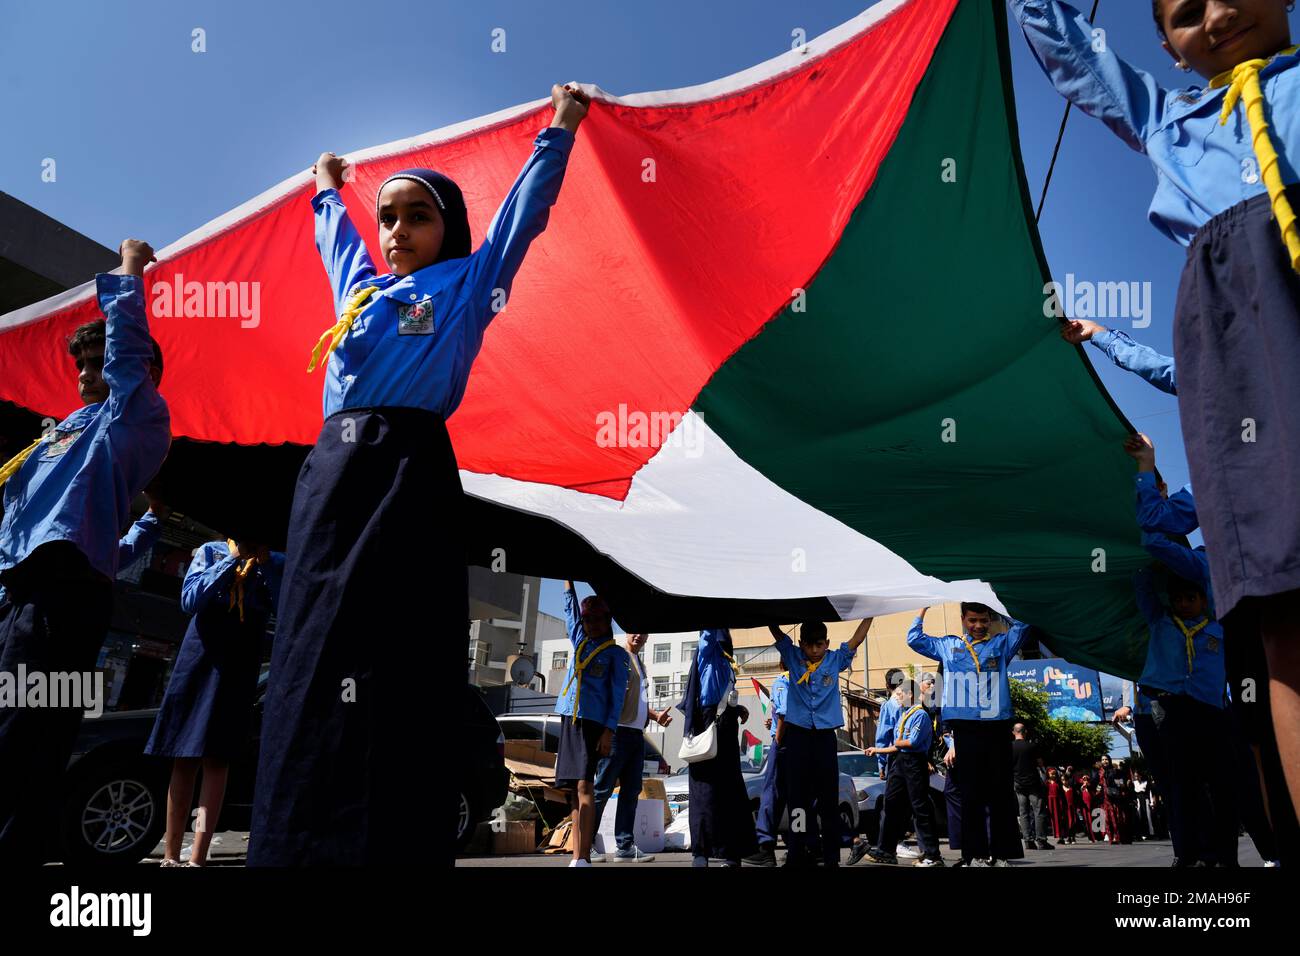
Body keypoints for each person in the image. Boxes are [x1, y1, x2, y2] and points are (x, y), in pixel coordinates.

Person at [248, 85, 589, 867]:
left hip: (406, 473)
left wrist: (559, 129)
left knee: (396, 654)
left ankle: (390, 843)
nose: (397, 230)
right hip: (330, 479)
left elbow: (523, 218)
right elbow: (337, 241)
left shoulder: (468, 284)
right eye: (389, 217)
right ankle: (296, 844)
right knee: (312, 656)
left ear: (449, 230)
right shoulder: (361, 293)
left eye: (417, 216)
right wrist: (327, 187)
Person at [1009, 0, 1300, 858]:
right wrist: (1108, 343)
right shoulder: (1170, 121)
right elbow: (1192, 376)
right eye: (1179, 15)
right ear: (1168, 52)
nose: (1212, 15)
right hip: (1243, 354)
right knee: (1287, 612)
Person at [0, 239, 171, 863]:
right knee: (32, 736)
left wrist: (129, 272)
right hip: (24, 596)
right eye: (80, 366)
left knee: (23, 735)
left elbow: (127, 355)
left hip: (64, 598)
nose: (84, 375)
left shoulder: (137, 417)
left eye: (97, 364)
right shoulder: (62, 432)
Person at [145, 538, 284, 866]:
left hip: (240, 662)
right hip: (200, 654)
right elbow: (189, 599)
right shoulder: (211, 551)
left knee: (217, 760)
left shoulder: (276, 561)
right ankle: (169, 855)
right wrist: (231, 560)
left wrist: (264, 563)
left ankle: (197, 858)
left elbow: (287, 607)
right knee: (183, 756)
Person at [908, 604, 1030, 866]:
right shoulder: (949, 645)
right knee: (970, 793)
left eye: (984, 620)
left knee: (1000, 792)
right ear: (963, 619)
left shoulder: (1001, 644)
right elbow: (914, 639)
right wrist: (922, 608)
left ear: (990, 620)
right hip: (965, 726)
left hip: (996, 723)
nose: (978, 625)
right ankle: (972, 854)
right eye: (972, 620)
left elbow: (1023, 625)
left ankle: (1001, 855)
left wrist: (1000, 604)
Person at [766, 619, 872, 867]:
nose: (814, 650)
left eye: (819, 644)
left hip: (825, 737)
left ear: (827, 643)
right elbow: (779, 634)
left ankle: (832, 858)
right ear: (801, 644)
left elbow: (856, 640)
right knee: (798, 801)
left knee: (828, 802)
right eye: (809, 645)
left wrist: (869, 616)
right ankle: (797, 853)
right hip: (798, 737)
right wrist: (769, 614)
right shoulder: (793, 658)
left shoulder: (835, 660)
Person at [552, 582, 628, 868]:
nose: (591, 624)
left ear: (608, 621)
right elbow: (570, 609)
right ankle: (577, 856)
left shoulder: (616, 655)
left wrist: (609, 730)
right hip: (569, 718)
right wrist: (567, 584)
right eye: (587, 619)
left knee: (586, 786)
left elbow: (617, 696)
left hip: (593, 723)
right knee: (574, 789)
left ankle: (583, 856)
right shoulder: (579, 640)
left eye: (597, 619)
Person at [590, 631, 672, 863]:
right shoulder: (619, 657)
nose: (638, 635)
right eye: (634, 631)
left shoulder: (640, 663)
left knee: (631, 792)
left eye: (643, 632)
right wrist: (606, 730)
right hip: (617, 732)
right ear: (626, 632)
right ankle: (586, 845)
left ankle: (625, 846)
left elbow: (637, 701)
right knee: (602, 790)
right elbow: (609, 695)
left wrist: (655, 716)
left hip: (637, 736)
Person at [678, 628, 755, 867]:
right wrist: (713, 608)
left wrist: (737, 709)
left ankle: (731, 853)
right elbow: (707, 639)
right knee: (704, 792)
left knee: (731, 792)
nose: (726, 645)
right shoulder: (707, 654)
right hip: (706, 724)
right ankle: (701, 853)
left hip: (726, 729)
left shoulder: (729, 665)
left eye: (727, 642)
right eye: (722, 641)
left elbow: (725, 696)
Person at [863, 680, 944, 866]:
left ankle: (933, 855)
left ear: (911, 695)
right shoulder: (903, 715)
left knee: (920, 807)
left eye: (901, 694)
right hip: (900, 762)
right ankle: (886, 850)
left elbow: (911, 742)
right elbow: (896, 745)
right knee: (890, 804)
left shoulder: (921, 715)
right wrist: (878, 750)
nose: (897, 697)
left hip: (914, 763)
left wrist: (898, 742)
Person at [745, 670, 789, 867]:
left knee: (771, 794)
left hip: (784, 745)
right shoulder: (803, 678)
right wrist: (776, 725)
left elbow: (784, 712)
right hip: (802, 744)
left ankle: (765, 847)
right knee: (799, 798)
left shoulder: (783, 679)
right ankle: (801, 848)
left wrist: (778, 739)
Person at [1012, 723, 1054, 851]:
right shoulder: (1032, 746)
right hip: (1033, 783)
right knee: (1039, 811)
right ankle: (1041, 840)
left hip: (1018, 783)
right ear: (1025, 732)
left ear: (1013, 732)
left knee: (1023, 812)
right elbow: (1040, 763)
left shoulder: (1009, 747)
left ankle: (1028, 841)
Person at [1046, 767, 1070, 844]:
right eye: (1051, 774)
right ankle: (1057, 834)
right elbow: (1045, 793)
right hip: (1050, 802)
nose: (1053, 775)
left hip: (1058, 802)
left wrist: (1063, 803)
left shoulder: (1058, 782)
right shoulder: (1047, 783)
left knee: (1060, 819)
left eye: (1054, 774)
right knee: (1053, 819)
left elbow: (1062, 793)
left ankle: (1061, 836)